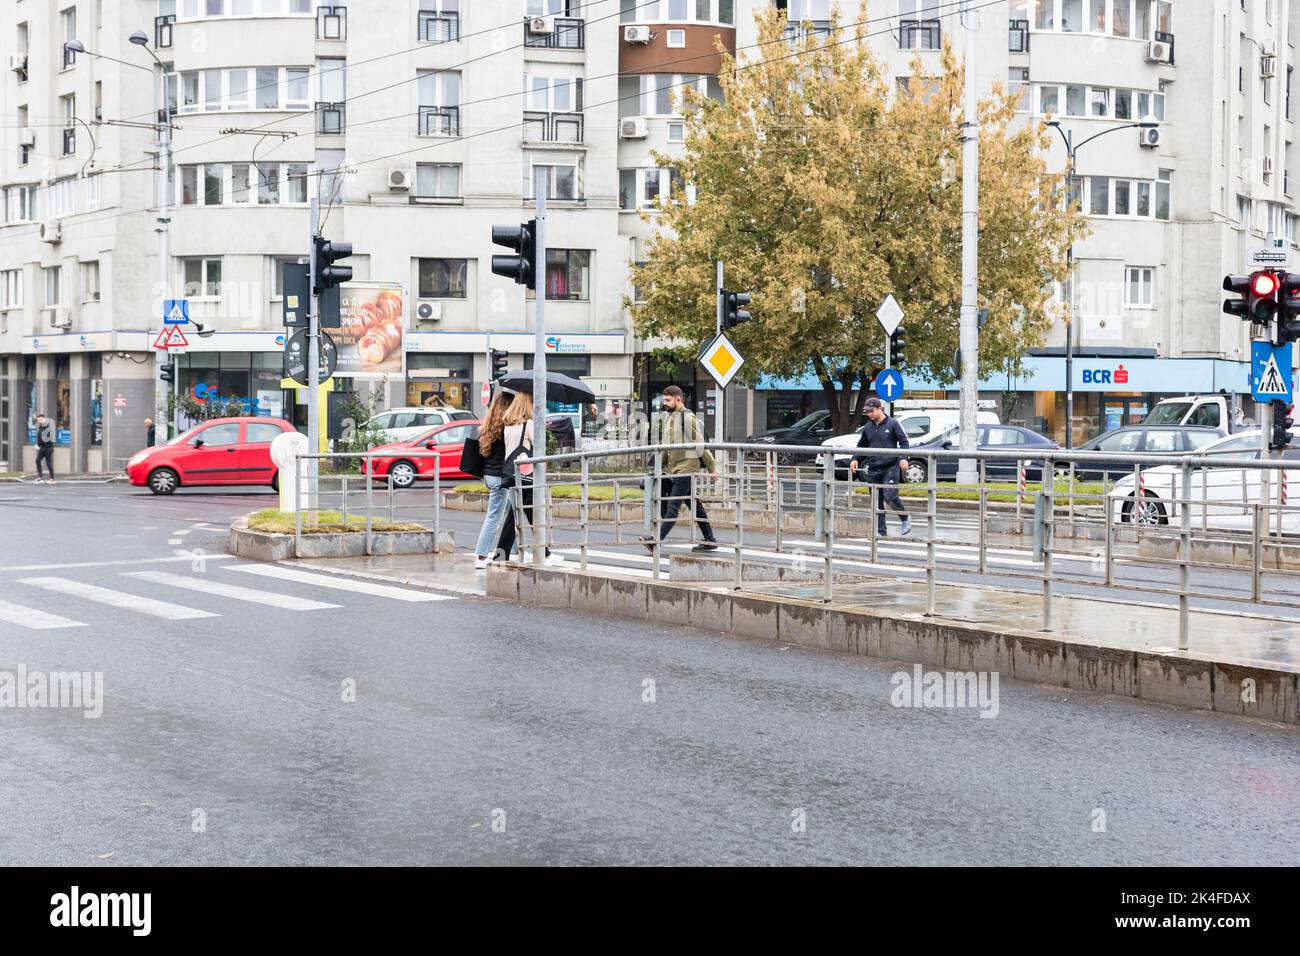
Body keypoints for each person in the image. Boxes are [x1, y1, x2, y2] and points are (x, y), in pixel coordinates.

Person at [641, 384, 719, 553]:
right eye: (664, 400)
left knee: (672, 508)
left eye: (668, 400)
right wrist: (657, 468)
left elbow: (700, 445)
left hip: (686, 470)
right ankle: (710, 539)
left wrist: (712, 468)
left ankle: (655, 541)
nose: (665, 403)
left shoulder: (687, 417)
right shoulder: (671, 418)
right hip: (676, 470)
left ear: (678, 399)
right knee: (695, 506)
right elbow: (666, 448)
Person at [850, 398, 912, 536]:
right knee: (876, 502)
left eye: (871, 411)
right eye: (867, 412)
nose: (869, 414)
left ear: (880, 408)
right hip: (873, 468)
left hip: (890, 467)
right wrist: (855, 459)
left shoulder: (893, 424)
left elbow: (904, 442)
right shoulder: (867, 428)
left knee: (890, 496)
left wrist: (903, 458)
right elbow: (861, 446)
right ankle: (881, 531)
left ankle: (905, 517)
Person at [34, 414, 55, 484]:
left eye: (40, 419)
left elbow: (47, 438)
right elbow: (40, 438)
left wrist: (41, 446)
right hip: (42, 447)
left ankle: (51, 478)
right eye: (38, 420)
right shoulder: (40, 427)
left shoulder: (47, 427)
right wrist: (37, 444)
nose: (39, 421)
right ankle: (40, 477)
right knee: (37, 460)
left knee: (48, 462)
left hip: (48, 448)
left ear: (44, 419)